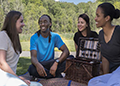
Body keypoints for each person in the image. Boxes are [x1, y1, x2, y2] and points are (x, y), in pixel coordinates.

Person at [28, 14, 71, 79]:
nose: (42, 24)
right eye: (41, 22)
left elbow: (66, 51)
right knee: (31, 69)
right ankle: (55, 75)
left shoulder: (55, 36)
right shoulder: (34, 38)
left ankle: (47, 74)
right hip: (41, 65)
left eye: (45, 22)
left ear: (50, 24)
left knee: (70, 59)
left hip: (52, 64)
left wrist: (56, 63)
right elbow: (33, 57)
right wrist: (37, 65)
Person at [88, 2, 120, 86]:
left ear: (107, 18)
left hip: (118, 72)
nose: (95, 19)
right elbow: (105, 58)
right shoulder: (101, 34)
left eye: (98, 16)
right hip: (113, 74)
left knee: (114, 82)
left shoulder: (118, 32)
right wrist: (106, 77)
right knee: (92, 82)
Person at [0, 11, 30, 85]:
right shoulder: (3, 35)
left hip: (10, 76)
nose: (23, 24)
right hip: (3, 77)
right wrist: (17, 78)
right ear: (13, 22)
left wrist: (17, 77)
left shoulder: (15, 37)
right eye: (21, 21)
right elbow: (1, 63)